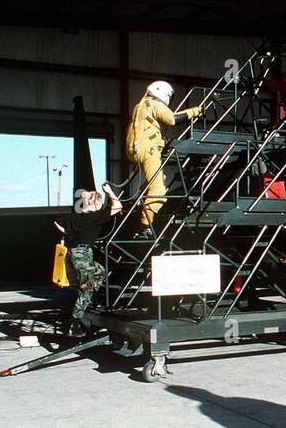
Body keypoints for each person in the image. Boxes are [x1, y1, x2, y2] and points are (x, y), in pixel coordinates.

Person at [126, 80, 202, 236]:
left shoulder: (139, 106)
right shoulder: (155, 104)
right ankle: (145, 225)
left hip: (136, 150)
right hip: (149, 149)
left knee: (157, 179)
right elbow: (172, 119)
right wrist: (196, 111)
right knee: (158, 190)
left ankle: (144, 207)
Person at [56, 182, 122, 331]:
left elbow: (57, 222)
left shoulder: (75, 217)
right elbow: (118, 207)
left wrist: (69, 233)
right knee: (88, 285)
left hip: (76, 253)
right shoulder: (97, 216)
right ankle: (75, 319)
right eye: (100, 202)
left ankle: (86, 300)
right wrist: (110, 192)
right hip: (83, 254)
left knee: (100, 271)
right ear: (95, 202)